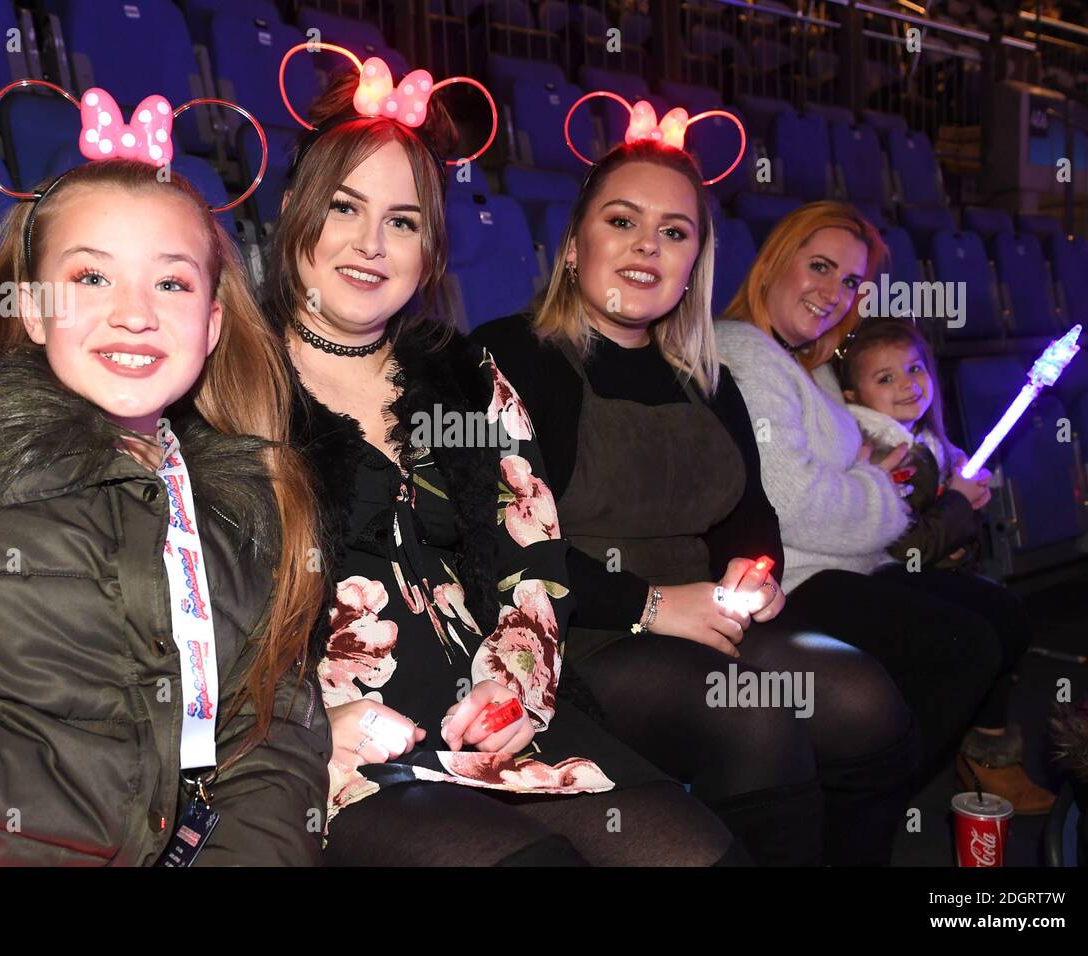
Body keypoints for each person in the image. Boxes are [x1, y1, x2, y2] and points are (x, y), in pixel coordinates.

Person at [265, 61, 738, 865]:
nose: (371, 245)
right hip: (340, 750)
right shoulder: (232, 380)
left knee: (699, 854)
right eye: (345, 207)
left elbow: (534, 560)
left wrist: (512, 689)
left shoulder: (467, 378)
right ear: (293, 212)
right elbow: (203, 616)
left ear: (432, 248)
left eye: (405, 222)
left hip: (499, 720)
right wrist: (312, 723)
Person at [0, 157, 331, 865]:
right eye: (91, 277)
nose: (134, 314)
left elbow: (270, 746)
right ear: (30, 308)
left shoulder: (249, 509)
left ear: (212, 324)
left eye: (172, 282)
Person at [473, 140, 920, 865]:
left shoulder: (706, 378)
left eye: (674, 232)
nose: (647, 245)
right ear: (573, 246)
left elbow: (752, 516)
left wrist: (755, 571)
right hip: (567, 636)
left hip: (699, 619)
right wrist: (650, 605)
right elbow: (498, 542)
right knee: (751, 717)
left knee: (861, 697)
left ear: (692, 268)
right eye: (622, 221)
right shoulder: (510, 355)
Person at [714, 201, 1009, 787]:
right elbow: (795, 503)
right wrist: (881, 486)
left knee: (1002, 613)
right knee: (969, 645)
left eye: (850, 281)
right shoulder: (743, 350)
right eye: (820, 267)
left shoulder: (813, 365)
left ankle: (880, 781)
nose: (835, 293)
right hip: (794, 582)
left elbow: (844, 476)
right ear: (772, 263)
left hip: (852, 562)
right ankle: (867, 797)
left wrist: (871, 479)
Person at [838, 318, 1053, 812]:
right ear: (853, 394)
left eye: (914, 368)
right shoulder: (889, 455)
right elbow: (901, 547)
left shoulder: (926, 442)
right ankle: (955, 764)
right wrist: (957, 504)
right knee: (988, 624)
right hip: (881, 584)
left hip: (937, 573)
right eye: (885, 378)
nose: (908, 384)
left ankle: (986, 754)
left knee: (999, 620)